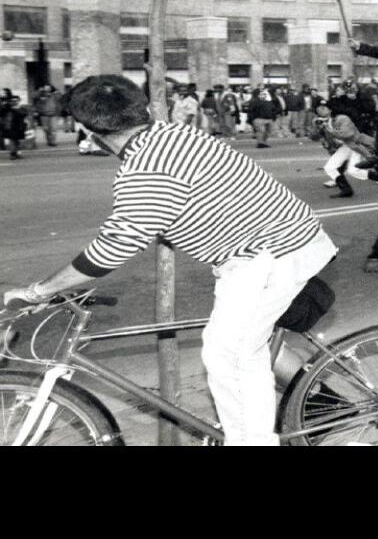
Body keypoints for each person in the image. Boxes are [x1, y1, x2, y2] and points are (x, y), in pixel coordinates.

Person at [2, 75, 337, 446]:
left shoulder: (144, 170)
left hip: (271, 254)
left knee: (229, 355)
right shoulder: (172, 133)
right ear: (141, 108)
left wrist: (39, 291)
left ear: (89, 131)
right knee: (244, 340)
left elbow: (113, 248)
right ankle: (319, 399)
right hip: (277, 241)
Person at [1, 89, 27, 160]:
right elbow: (2, 113)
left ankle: (16, 153)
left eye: (16, 101)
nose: (14, 102)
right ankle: (12, 153)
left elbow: (24, 114)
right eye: (13, 101)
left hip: (19, 126)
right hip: (10, 125)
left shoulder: (21, 108)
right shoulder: (6, 107)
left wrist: (17, 108)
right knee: (12, 139)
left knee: (17, 140)